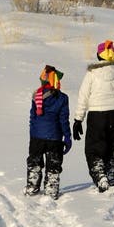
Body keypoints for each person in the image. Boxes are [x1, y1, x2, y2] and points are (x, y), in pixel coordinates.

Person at [73, 39, 114, 192]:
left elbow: (83, 97)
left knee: (94, 148)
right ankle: (111, 172)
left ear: (99, 56)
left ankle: (100, 175)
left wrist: (78, 119)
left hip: (97, 116)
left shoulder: (91, 74)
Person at [26, 64, 71, 201]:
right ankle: (51, 189)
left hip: (37, 136)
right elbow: (64, 119)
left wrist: (33, 134)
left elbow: (33, 117)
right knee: (53, 164)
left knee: (34, 162)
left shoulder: (36, 95)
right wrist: (67, 137)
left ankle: (32, 186)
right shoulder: (62, 98)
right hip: (55, 137)